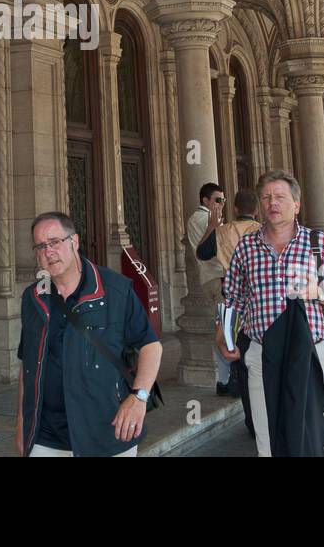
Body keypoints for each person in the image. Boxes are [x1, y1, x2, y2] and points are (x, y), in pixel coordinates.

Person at [217, 170, 324, 456]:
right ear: (259, 205)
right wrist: (223, 332)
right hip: (261, 352)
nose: (273, 203)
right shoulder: (246, 247)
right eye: (267, 197)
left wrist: (319, 292)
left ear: (296, 205)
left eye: (280, 197)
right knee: (268, 436)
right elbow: (234, 297)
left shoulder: (319, 245)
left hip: (313, 355)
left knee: (319, 435)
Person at [16, 212, 162, 457]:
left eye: (54, 242)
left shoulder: (115, 290)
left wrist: (139, 398)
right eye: (40, 246)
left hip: (108, 431)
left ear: (74, 242)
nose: (48, 252)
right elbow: (28, 362)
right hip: (45, 436)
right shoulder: (33, 298)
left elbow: (151, 346)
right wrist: (22, 422)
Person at [196, 188, 262, 433]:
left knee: (239, 356)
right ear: (256, 210)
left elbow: (201, 253)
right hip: (260, 301)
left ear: (235, 209)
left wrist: (213, 225)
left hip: (231, 301)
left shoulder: (223, 232)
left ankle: (251, 420)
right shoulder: (264, 232)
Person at [186, 182, 230, 394]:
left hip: (217, 278)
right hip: (216, 278)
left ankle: (226, 377)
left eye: (223, 200)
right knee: (225, 329)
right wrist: (214, 226)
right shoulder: (203, 219)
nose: (221, 204)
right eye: (218, 200)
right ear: (205, 200)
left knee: (226, 327)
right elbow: (205, 251)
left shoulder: (207, 218)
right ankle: (225, 379)